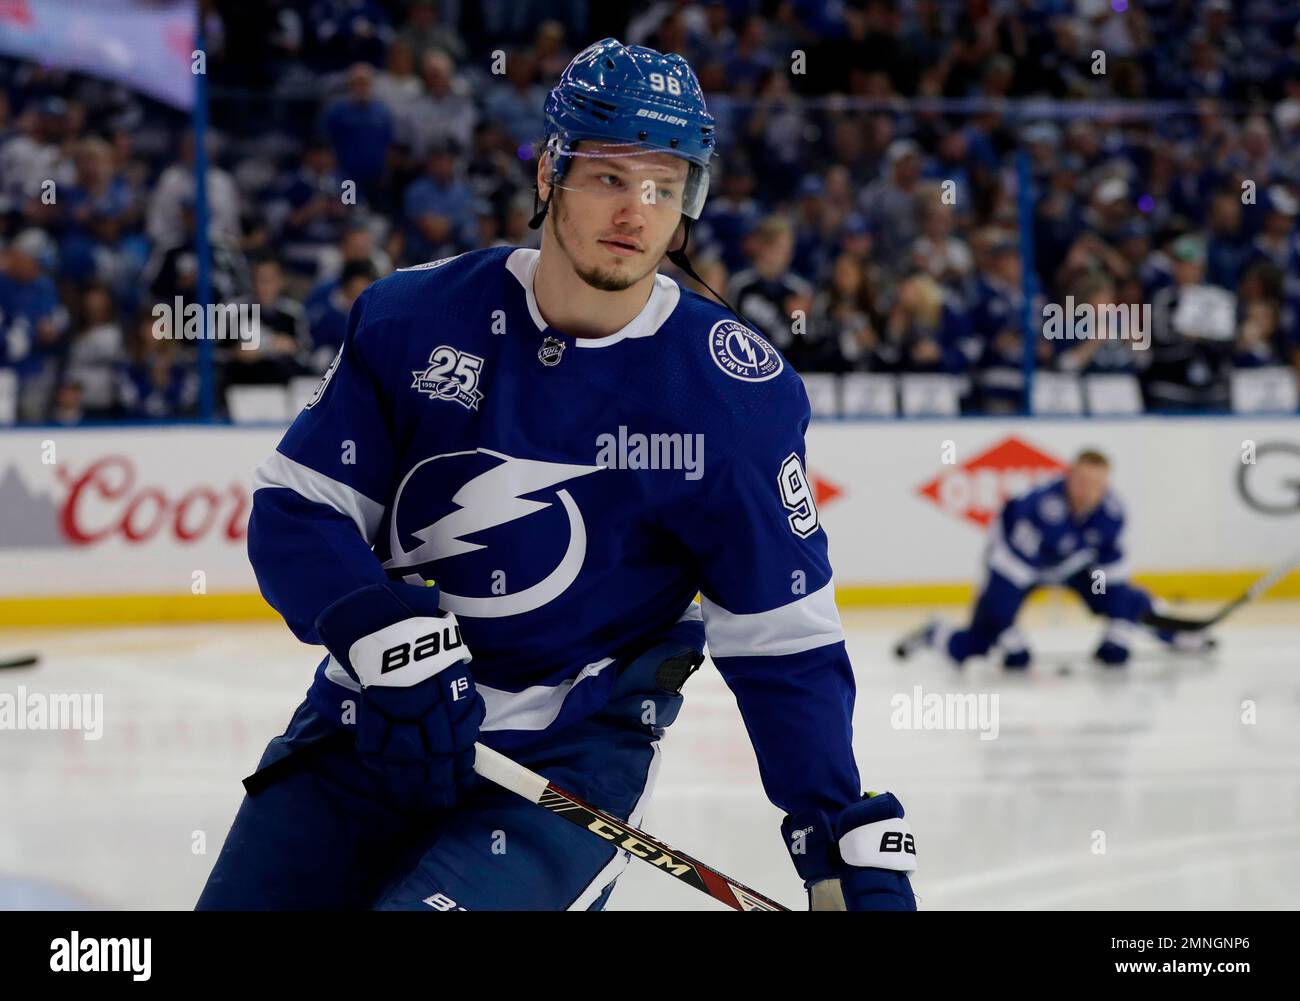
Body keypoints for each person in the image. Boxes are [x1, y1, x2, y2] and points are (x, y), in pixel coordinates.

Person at [197, 38, 915, 912]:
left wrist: (833, 831)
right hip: (370, 724)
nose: (636, 210)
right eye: (610, 176)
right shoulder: (414, 318)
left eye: (664, 184)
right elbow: (297, 511)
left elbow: (782, 643)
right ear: (549, 172)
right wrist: (376, 629)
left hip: (561, 768)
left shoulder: (731, 397)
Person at [895, 450, 1215, 669]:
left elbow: (1115, 581)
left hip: (1073, 567)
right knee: (986, 646)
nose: (1087, 491)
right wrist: (1006, 632)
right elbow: (1010, 573)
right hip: (1018, 568)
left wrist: (1119, 628)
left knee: (1131, 605)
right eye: (1081, 482)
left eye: (1096, 485)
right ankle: (934, 633)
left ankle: (1178, 634)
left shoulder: (1111, 513)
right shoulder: (1038, 508)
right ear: (1069, 477)